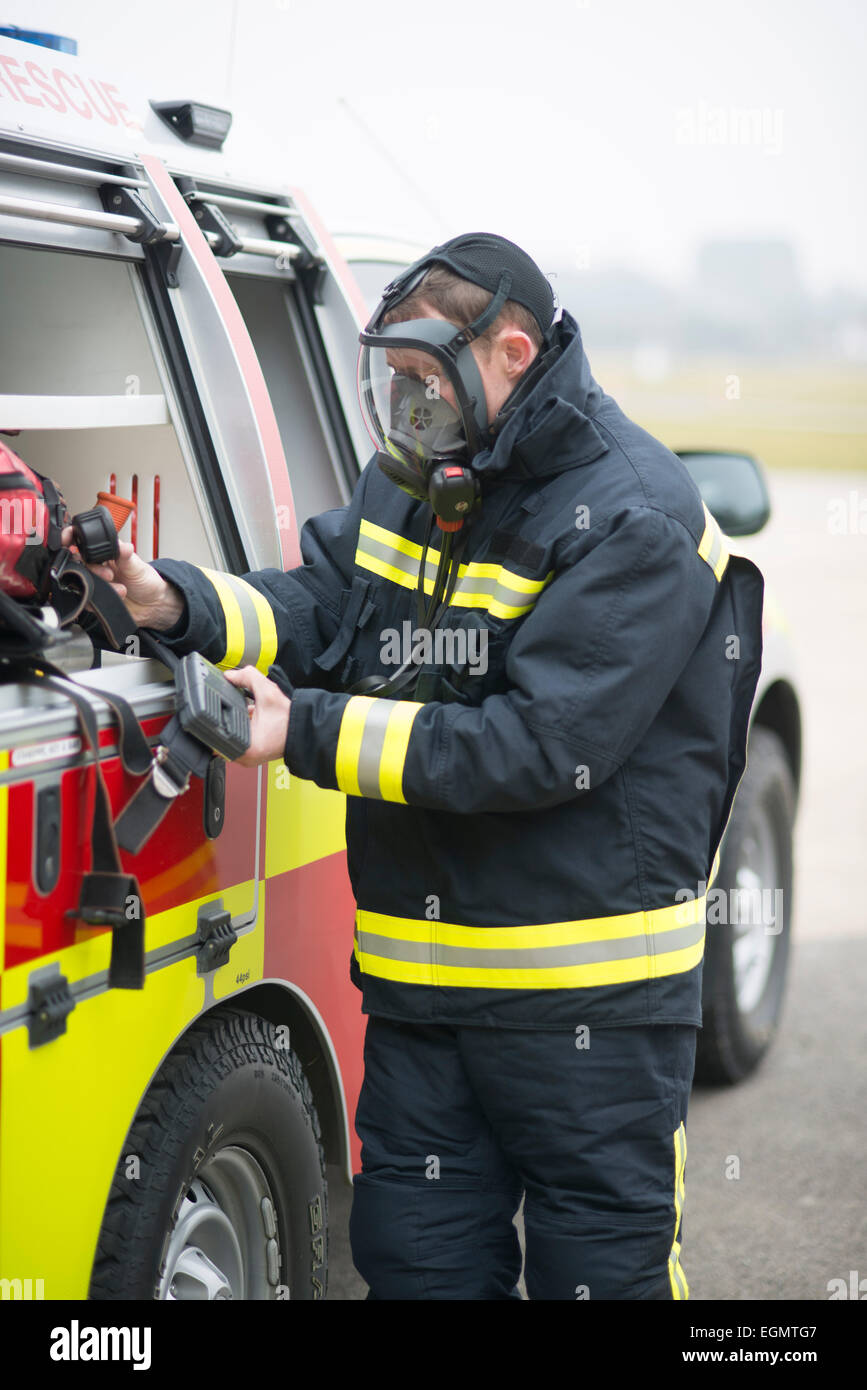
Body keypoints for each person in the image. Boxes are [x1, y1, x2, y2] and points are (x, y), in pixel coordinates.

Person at [81, 232, 764, 1300]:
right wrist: (175, 601)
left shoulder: (636, 514)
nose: (402, 403)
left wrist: (297, 730)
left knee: (604, 1280)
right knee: (420, 1272)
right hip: (422, 1000)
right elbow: (327, 609)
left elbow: (539, 747)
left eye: (420, 377)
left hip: (588, 1016)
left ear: (511, 353)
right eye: (391, 377)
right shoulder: (419, 481)